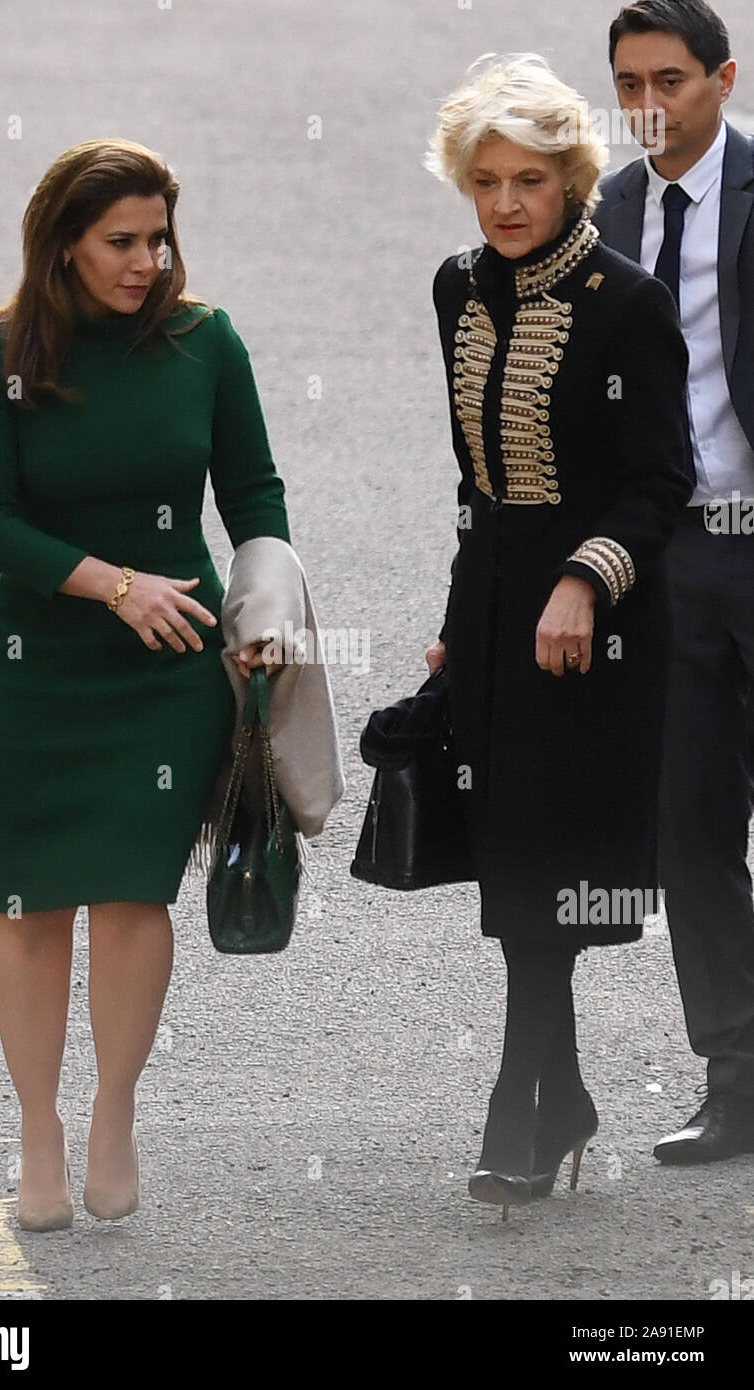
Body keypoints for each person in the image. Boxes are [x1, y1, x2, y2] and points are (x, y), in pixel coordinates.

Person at [0, 139, 291, 1230]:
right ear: (64, 244)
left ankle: (112, 1113)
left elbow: (255, 493)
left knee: (134, 896)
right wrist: (112, 584)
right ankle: (37, 1124)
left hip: (168, 666)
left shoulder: (205, 343)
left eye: (159, 237)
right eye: (121, 242)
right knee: (31, 900)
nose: (149, 261)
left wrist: (265, 610)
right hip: (34, 674)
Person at [423, 54, 693, 1218]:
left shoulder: (629, 303)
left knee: (549, 874)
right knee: (518, 871)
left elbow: (663, 480)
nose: (506, 203)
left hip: (598, 627)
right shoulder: (456, 289)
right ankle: (562, 1092)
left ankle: (518, 1107)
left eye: (529, 178)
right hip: (495, 608)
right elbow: (474, 481)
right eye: (486, 180)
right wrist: (452, 624)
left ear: (573, 179)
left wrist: (587, 579)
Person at [597, 0, 754, 1165]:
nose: (648, 105)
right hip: (669, 555)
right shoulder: (606, 209)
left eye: (670, 80)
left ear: (724, 79)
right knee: (687, 826)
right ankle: (739, 1077)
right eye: (628, 83)